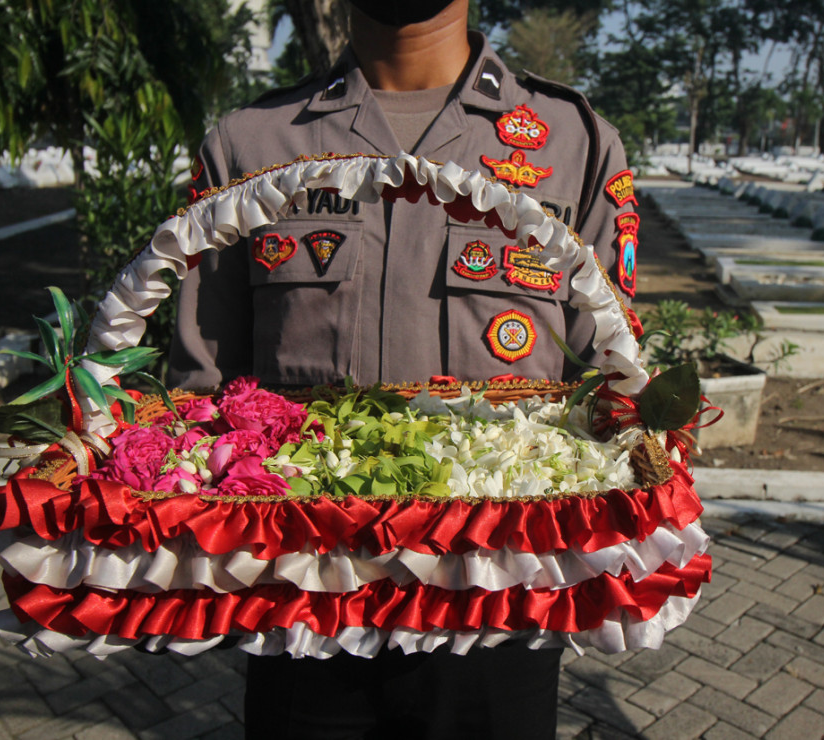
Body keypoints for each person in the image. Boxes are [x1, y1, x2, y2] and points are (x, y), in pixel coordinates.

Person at [169, 1, 639, 737]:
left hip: (496, 605)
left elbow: (608, 391)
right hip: (301, 604)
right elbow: (203, 386)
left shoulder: (573, 142)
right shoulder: (252, 141)